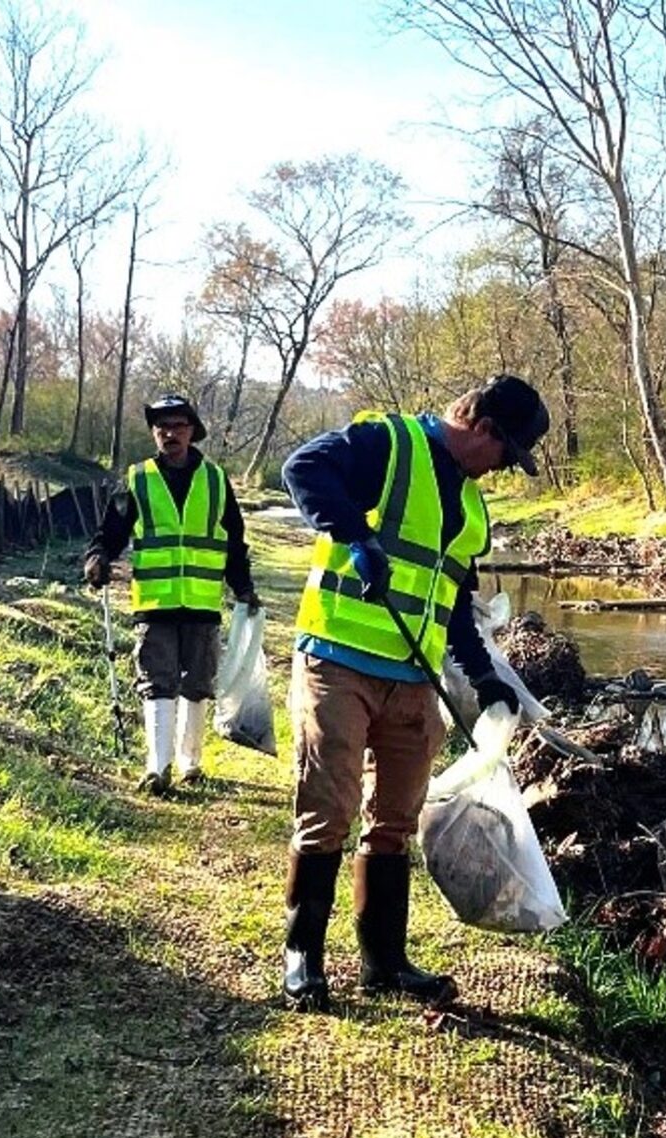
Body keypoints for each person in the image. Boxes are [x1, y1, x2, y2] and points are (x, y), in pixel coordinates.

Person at [279, 374, 550, 1011]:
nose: (503, 469)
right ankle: (303, 958)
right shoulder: (390, 445)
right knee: (330, 810)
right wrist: (356, 537)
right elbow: (304, 468)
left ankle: (384, 962)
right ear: (482, 428)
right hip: (339, 662)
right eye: (506, 455)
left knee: (394, 822)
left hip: (411, 680)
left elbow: (454, 601)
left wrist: (484, 679)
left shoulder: (472, 507)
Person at [83, 394, 258, 793]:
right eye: (161, 426)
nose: (169, 433)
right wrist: (97, 558)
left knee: (197, 682)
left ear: (192, 431)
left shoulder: (215, 479)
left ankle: (190, 763)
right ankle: (157, 768)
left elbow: (234, 539)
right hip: (155, 601)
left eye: (178, 425)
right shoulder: (138, 478)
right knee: (157, 681)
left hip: (202, 602)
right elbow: (110, 531)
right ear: (154, 433)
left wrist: (243, 587)